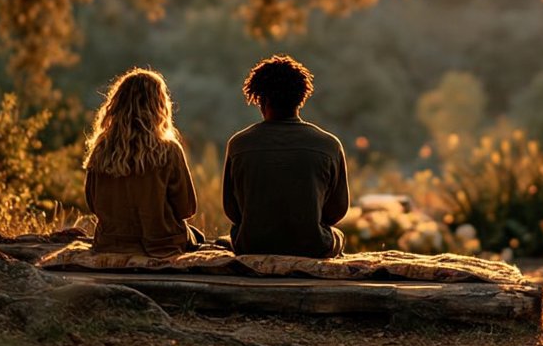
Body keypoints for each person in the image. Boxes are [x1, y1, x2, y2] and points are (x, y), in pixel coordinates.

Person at [222, 54, 349, 258]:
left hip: (251, 245)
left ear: (261, 99)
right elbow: (337, 211)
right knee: (338, 236)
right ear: (301, 97)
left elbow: (232, 211)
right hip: (313, 247)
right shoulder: (329, 145)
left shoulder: (239, 144)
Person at [82, 68, 201, 256]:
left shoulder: (101, 149)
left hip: (110, 243)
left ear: (116, 104)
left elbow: (92, 204)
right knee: (196, 236)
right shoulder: (168, 150)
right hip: (161, 245)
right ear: (159, 106)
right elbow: (186, 208)